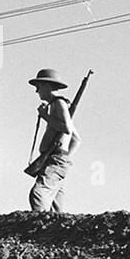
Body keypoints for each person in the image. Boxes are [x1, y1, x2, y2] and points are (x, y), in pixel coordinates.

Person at [26, 69, 80, 212]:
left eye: (39, 86)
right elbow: (76, 139)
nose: (37, 91)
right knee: (55, 207)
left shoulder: (59, 103)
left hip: (55, 160)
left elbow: (67, 129)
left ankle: (38, 229)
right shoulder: (57, 105)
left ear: (47, 86)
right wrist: (65, 157)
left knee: (38, 194)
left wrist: (45, 116)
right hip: (54, 159)